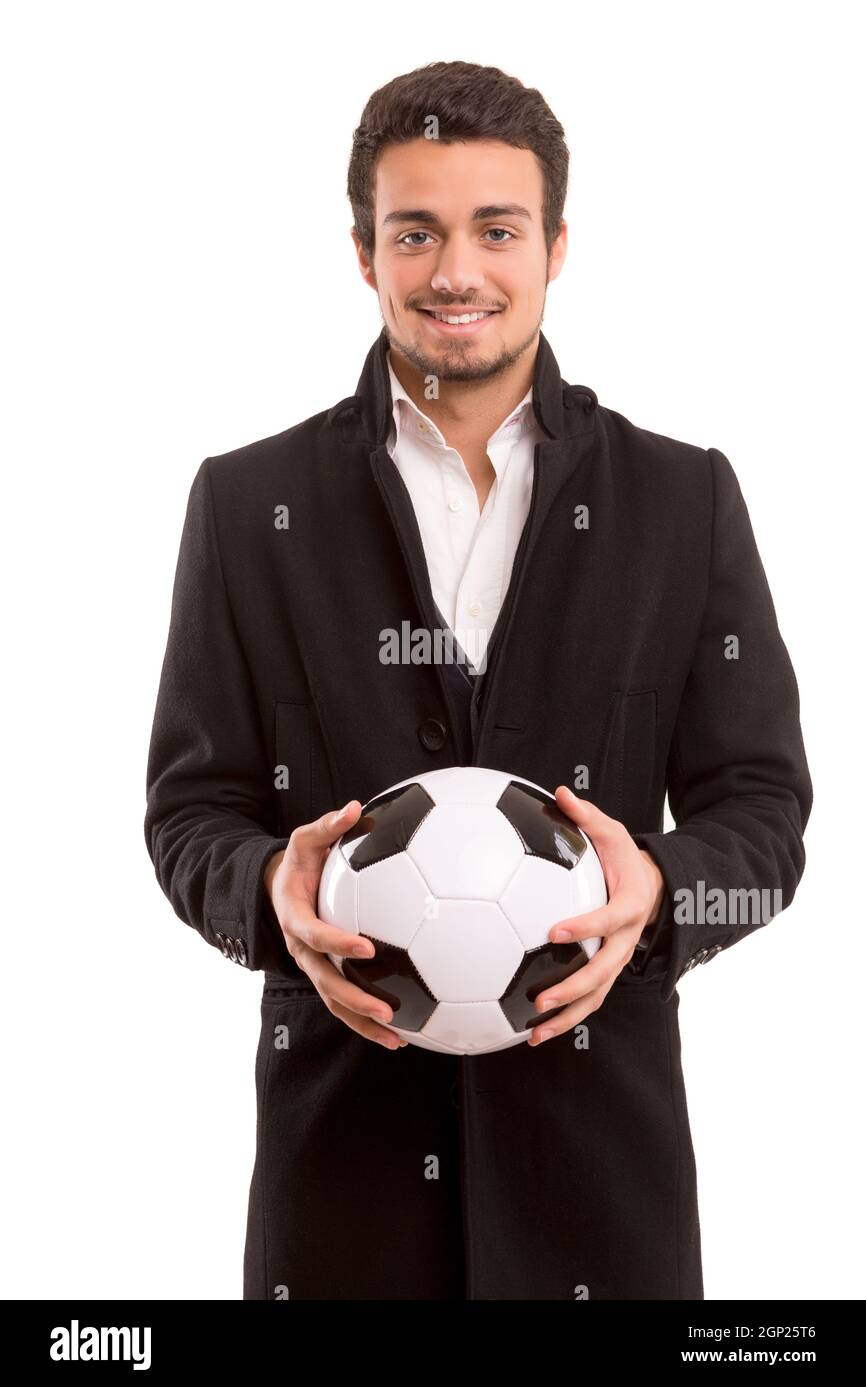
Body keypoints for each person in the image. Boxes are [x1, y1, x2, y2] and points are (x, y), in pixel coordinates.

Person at [144, 60, 812, 1300]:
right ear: (364, 253)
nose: (457, 271)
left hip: (601, 1211)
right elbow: (188, 814)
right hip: (337, 1207)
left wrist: (662, 888)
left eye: (495, 229)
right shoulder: (247, 507)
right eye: (417, 232)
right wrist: (267, 895)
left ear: (555, 246)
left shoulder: (681, 501)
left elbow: (764, 813)